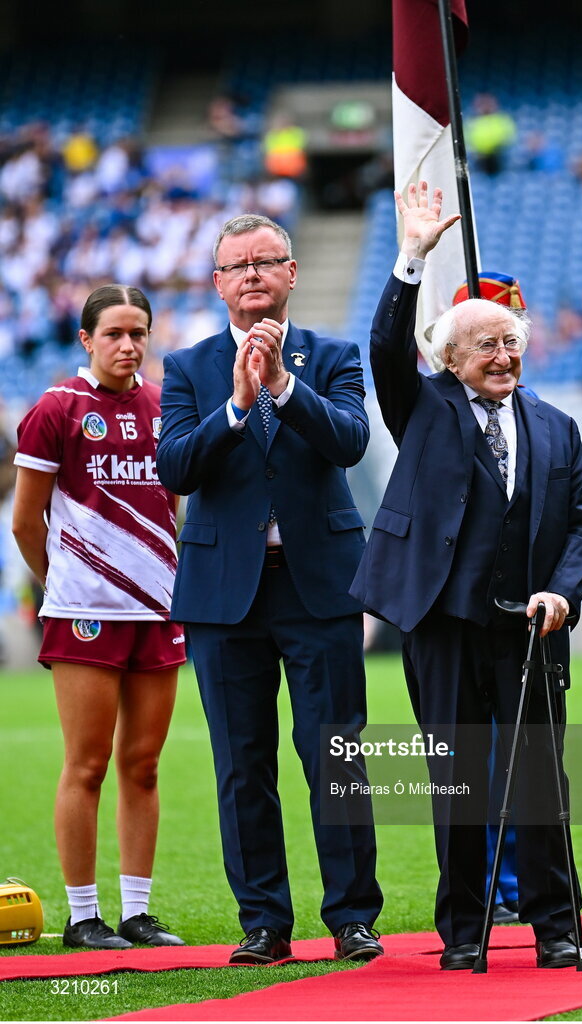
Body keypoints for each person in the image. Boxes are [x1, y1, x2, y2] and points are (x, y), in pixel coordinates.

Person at [351, 182, 582, 971]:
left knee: (538, 780)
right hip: (443, 622)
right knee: (456, 783)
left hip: (531, 627)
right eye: (487, 345)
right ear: (450, 360)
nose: (504, 356)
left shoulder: (558, 427)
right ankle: (464, 933)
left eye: (512, 343)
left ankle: (558, 928)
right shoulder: (421, 407)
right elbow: (385, 348)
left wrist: (562, 591)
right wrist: (413, 255)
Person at [156, 213, 383, 965]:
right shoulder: (188, 368)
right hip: (224, 598)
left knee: (338, 757)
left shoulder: (334, 355)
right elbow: (178, 470)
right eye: (238, 265)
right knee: (241, 764)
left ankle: (352, 917)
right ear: (218, 283)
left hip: (319, 588)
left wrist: (282, 385)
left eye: (267, 261)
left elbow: (349, 441)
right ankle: (264, 924)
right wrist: (237, 406)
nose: (253, 274)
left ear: (292, 273)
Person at [12, 285, 187, 950]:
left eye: (137, 332)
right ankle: (83, 916)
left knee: (142, 765)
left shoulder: (167, 404)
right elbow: (27, 520)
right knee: (86, 764)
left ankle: (137, 912)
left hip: (157, 608)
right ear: (86, 339)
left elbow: (174, 505)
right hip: (84, 612)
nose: (127, 345)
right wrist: (62, 584)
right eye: (113, 333)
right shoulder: (57, 409)